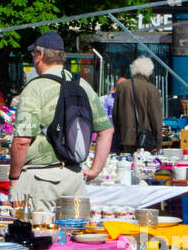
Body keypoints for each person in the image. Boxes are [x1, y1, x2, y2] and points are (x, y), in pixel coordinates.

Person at [9, 33, 112, 214]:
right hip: (74, 176)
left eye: (33, 55)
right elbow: (106, 130)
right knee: (75, 235)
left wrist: (14, 177)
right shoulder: (81, 84)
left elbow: (22, 140)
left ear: (40, 56)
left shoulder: (34, 88)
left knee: (40, 236)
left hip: (40, 180)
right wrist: (95, 169)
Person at [112, 57, 163, 153]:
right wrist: (158, 142)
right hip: (144, 139)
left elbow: (115, 113)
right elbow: (156, 118)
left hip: (125, 137)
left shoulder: (122, 86)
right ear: (149, 71)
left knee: (127, 165)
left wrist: (119, 134)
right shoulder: (151, 89)